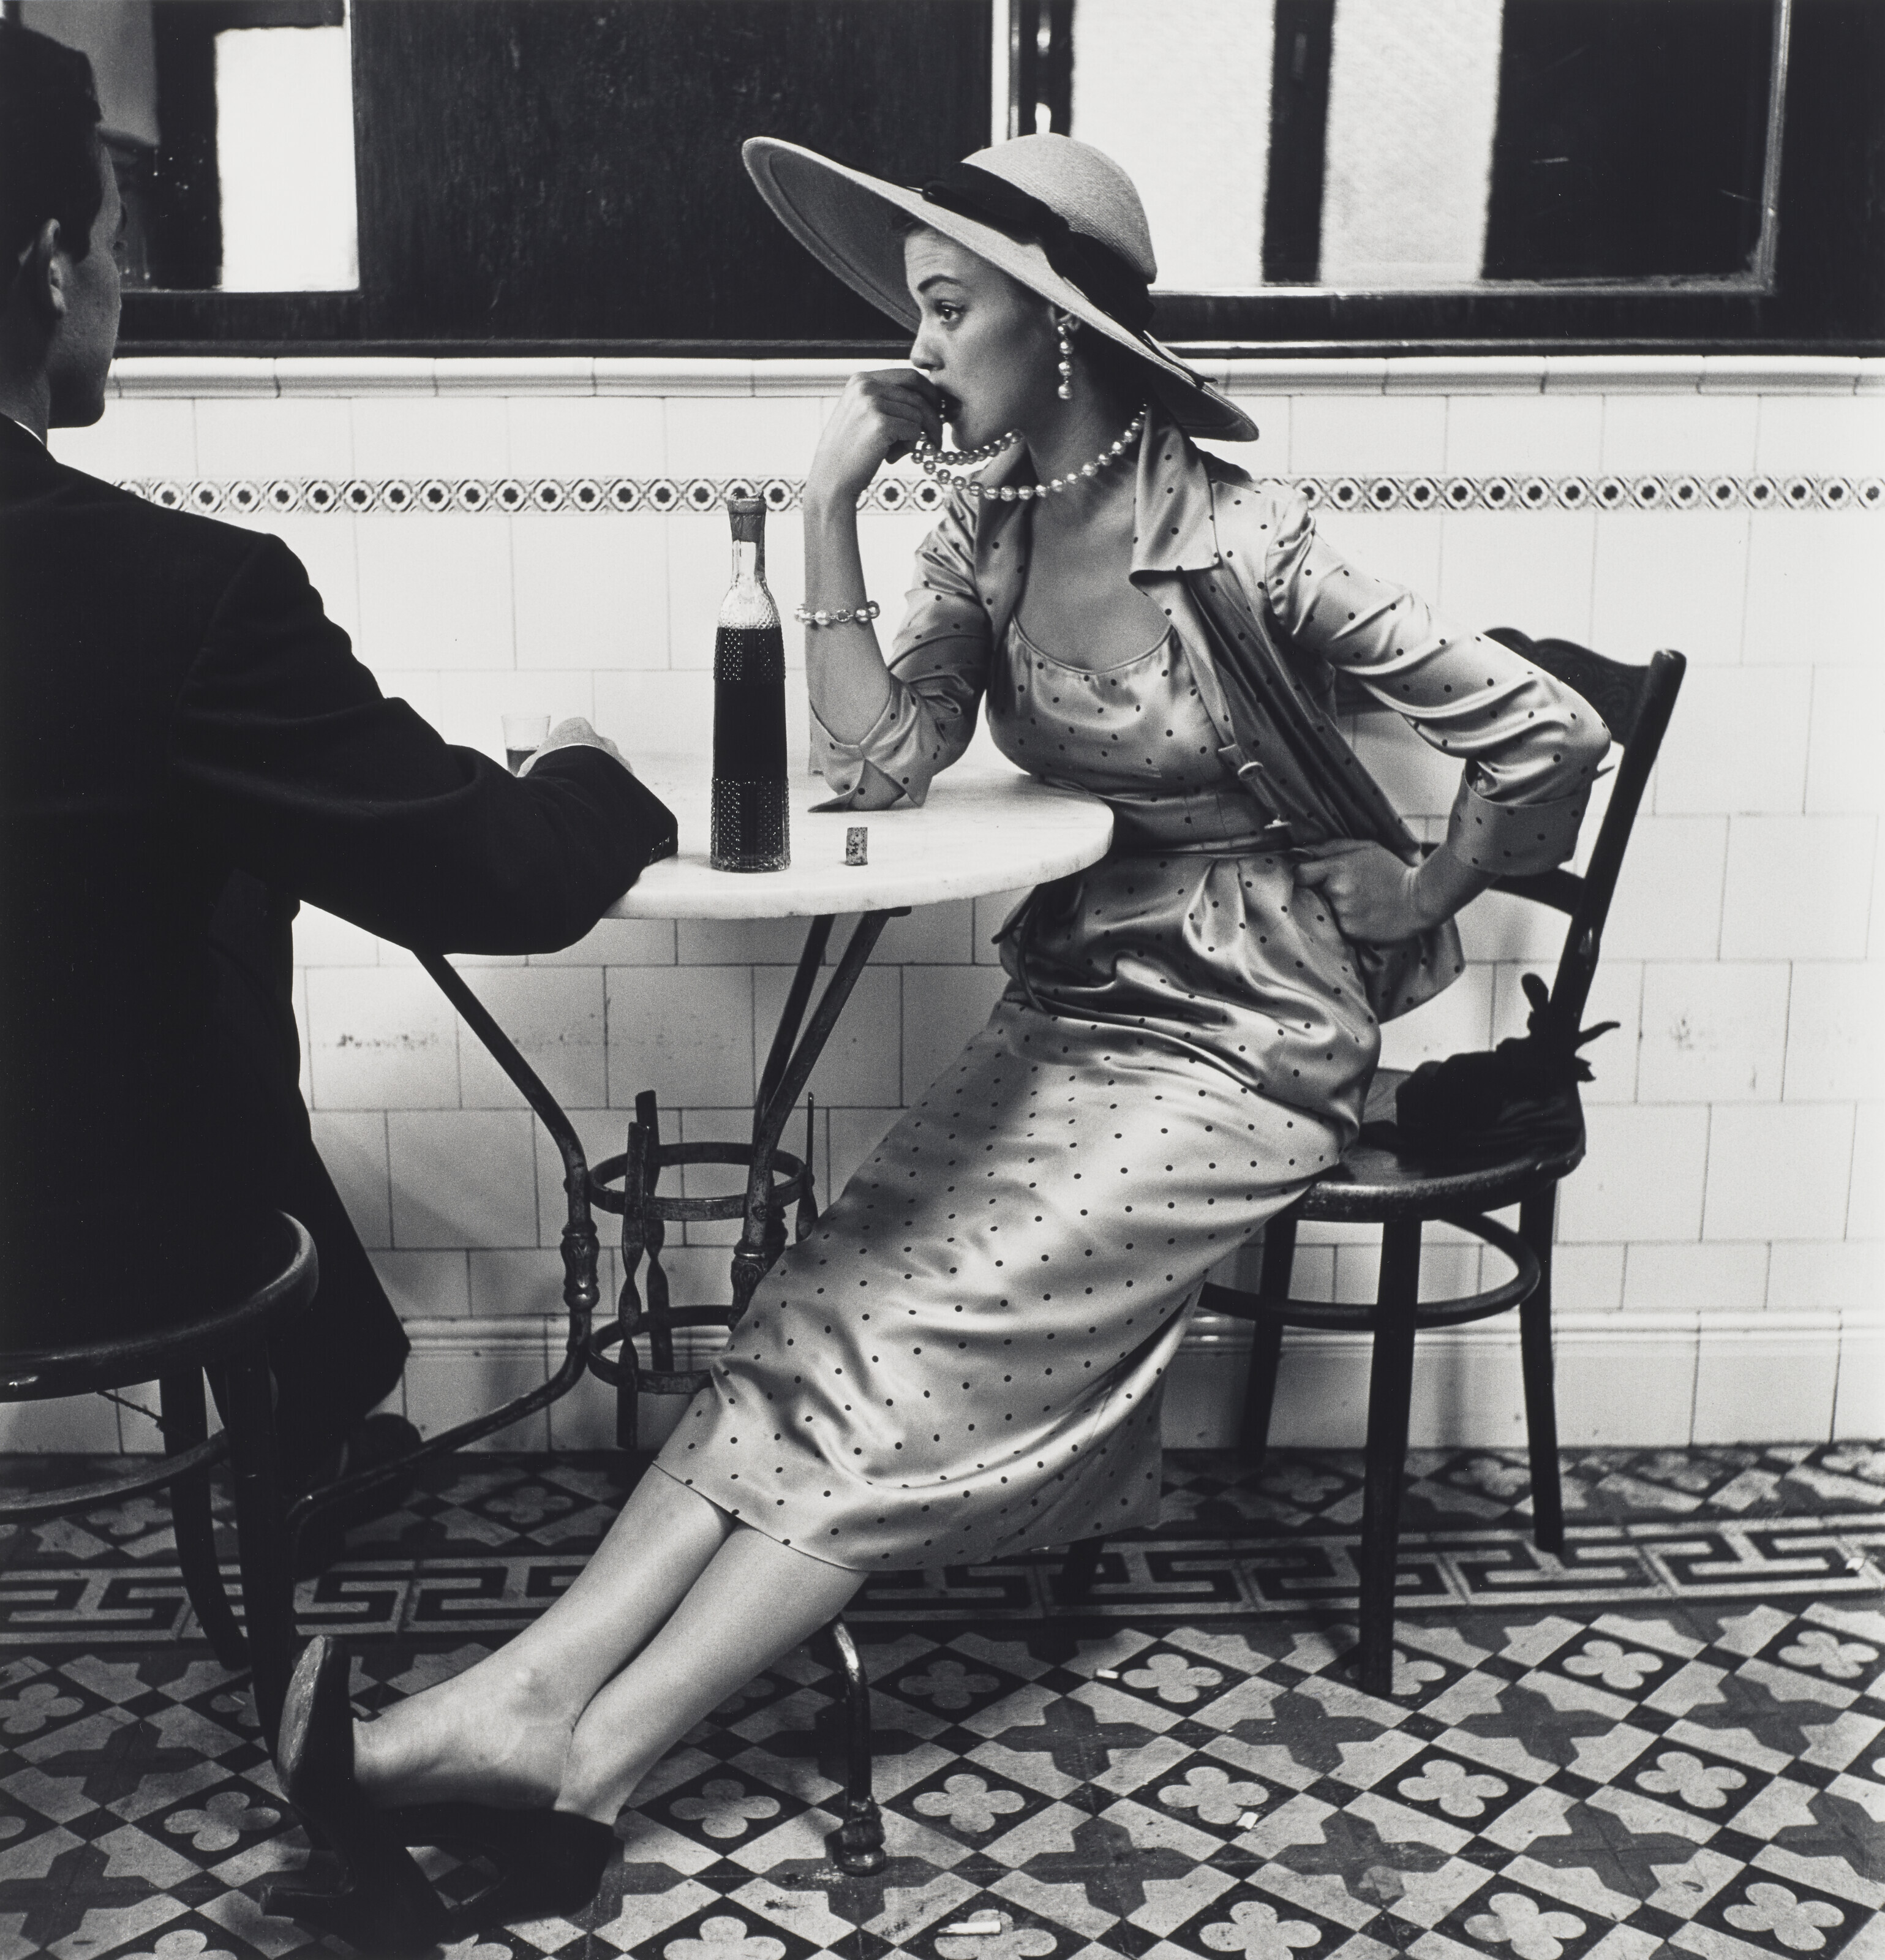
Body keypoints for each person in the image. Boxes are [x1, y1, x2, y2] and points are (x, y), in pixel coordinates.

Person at [261, 134, 1608, 1943]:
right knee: (823, 1297)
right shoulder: (979, 521)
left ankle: (584, 1743)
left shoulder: (1250, 541)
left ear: (1058, 335)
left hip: (1250, 1035)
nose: (911, 344)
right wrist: (827, 504)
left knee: (911, 1339)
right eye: (911, 305)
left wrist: (1420, 882)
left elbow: (1543, 740)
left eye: (945, 308)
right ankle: (539, 1731)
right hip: (1085, 995)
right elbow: (874, 762)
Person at [0, 25, 676, 1498]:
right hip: (74, 1245)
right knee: (219, 870)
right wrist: (589, 769)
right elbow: (500, 878)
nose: (118, 285)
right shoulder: (178, 594)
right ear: (53, 259)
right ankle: (311, 1385)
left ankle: (322, 1378)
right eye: (114, 244)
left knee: (194, 873)